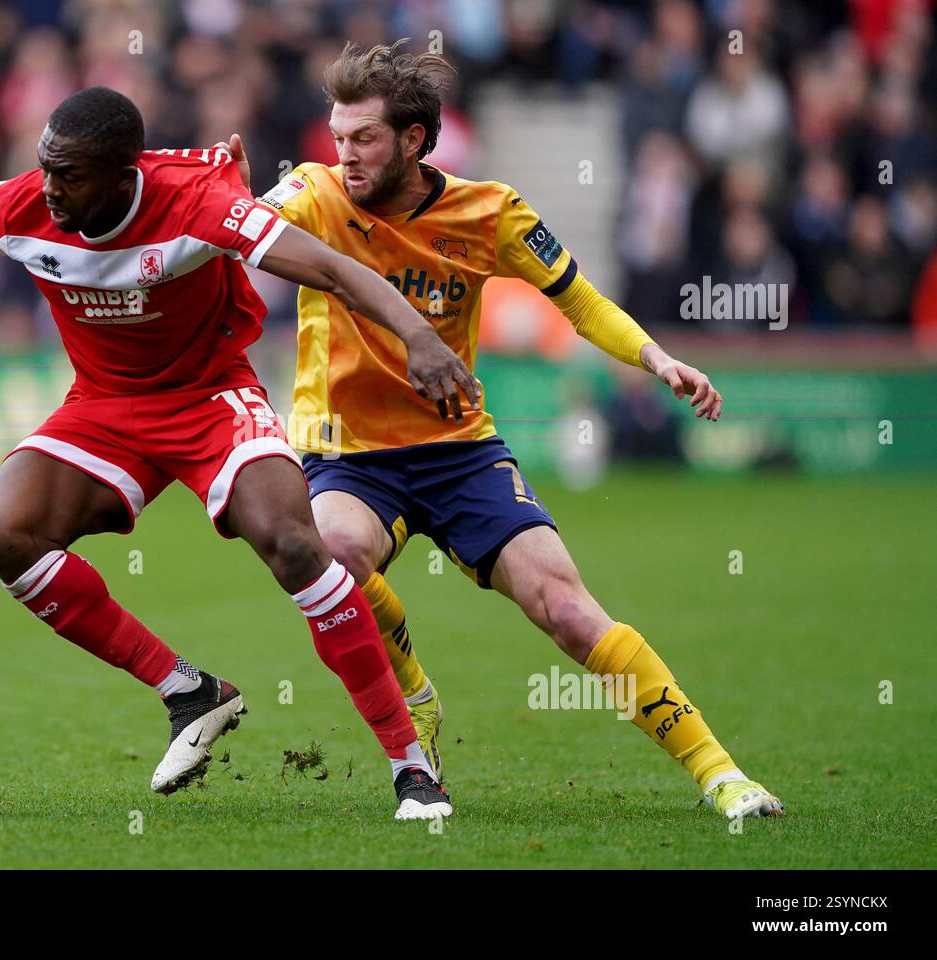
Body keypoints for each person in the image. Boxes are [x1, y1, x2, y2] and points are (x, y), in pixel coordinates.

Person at [0, 86, 483, 819]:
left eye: (70, 175)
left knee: (292, 541)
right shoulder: (22, 205)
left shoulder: (198, 205)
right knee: (4, 532)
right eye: (46, 169)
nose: (50, 189)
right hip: (101, 408)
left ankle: (412, 766)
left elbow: (334, 270)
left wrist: (419, 336)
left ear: (126, 175)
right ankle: (187, 689)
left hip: (209, 395)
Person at [218, 41, 783, 819]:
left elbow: (581, 302)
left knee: (566, 608)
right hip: (347, 454)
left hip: (459, 452)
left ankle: (724, 776)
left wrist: (655, 357)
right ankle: (414, 692)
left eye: (365, 140)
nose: (344, 156)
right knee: (333, 553)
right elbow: (243, 226)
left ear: (414, 140)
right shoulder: (313, 193)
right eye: (338, 137)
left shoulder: (490, 213)